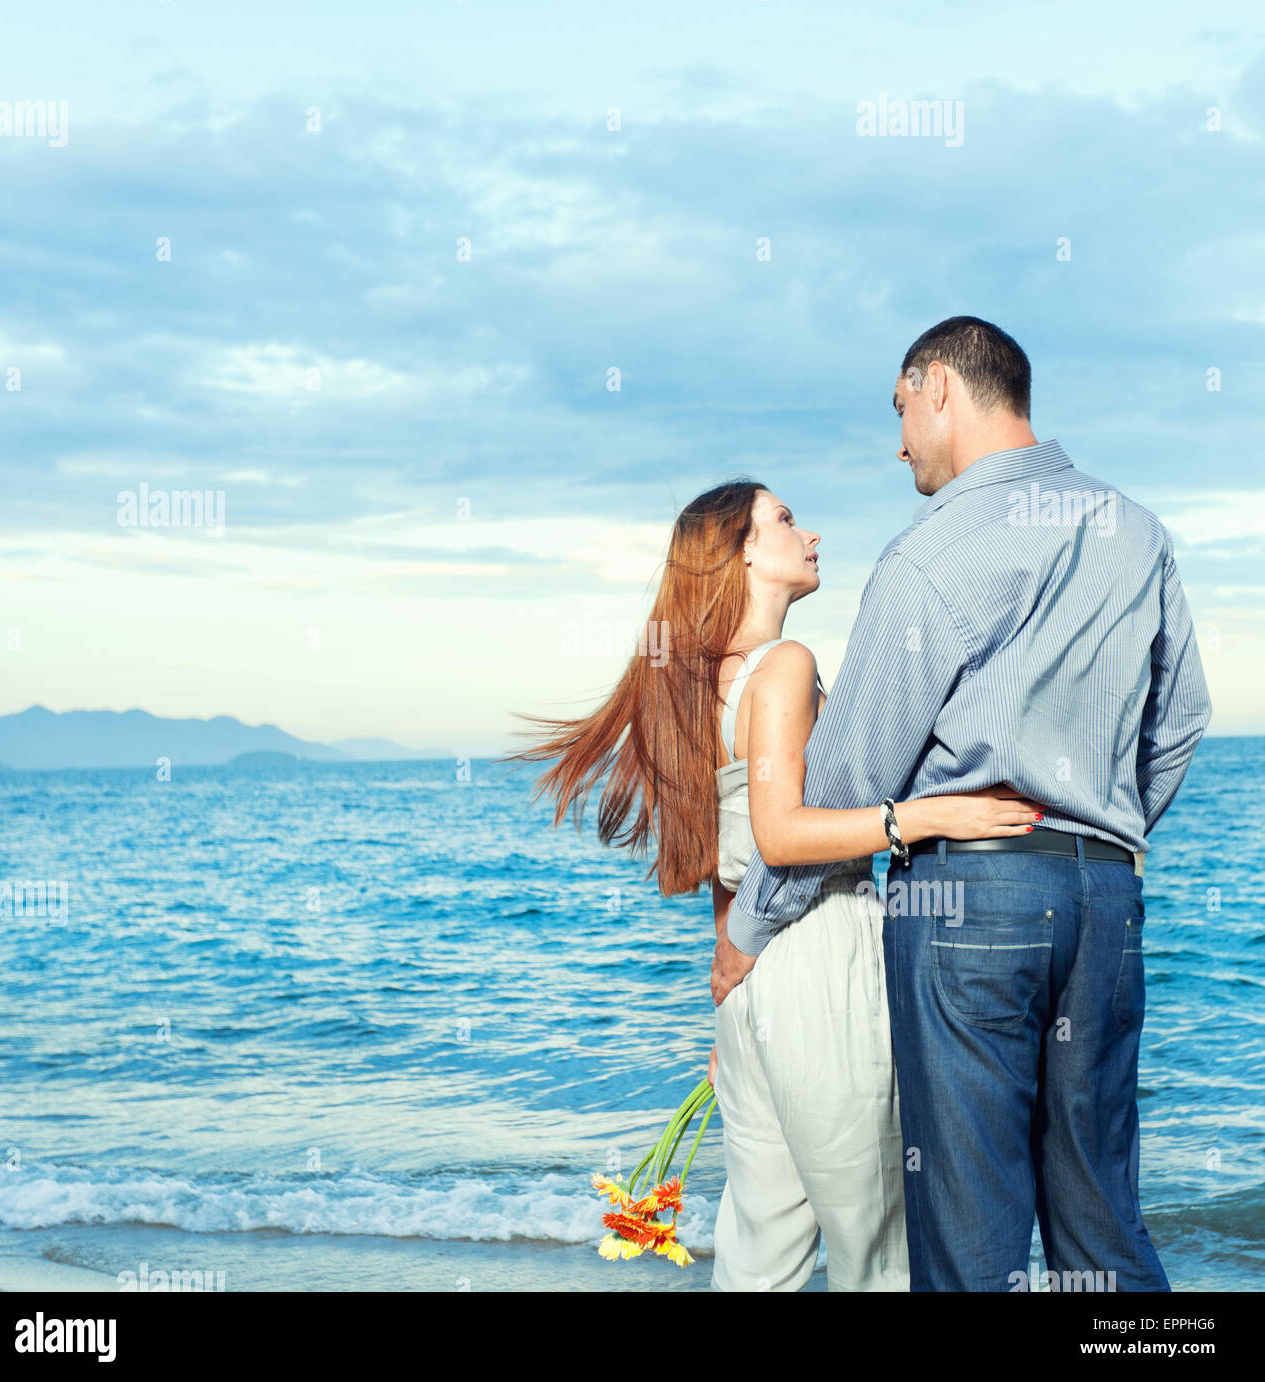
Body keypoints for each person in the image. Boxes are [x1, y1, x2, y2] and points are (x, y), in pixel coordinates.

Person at [715, 316, 1212, 1292]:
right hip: (1106, 898)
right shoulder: (1138, 530)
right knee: (1103, 1223)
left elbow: (852, 774)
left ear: (938, 386)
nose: (899, 444)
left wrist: (752, 924)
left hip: (968, 902)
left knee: (969, 1239)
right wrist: (1103, 832)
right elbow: (1181, 721)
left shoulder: (930, 553)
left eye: (901, 410)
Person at [514, 477, 1041, 1291]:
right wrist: (932, 816)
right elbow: (781, 835)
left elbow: (727, 859)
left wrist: (729, 1002)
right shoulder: (785, 665)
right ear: (744, 553)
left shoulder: (698, 685)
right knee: (878, 1245)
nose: (812, 535)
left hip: (752, 983)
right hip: (823, 957)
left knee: (761, 1252)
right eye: (788, 520)